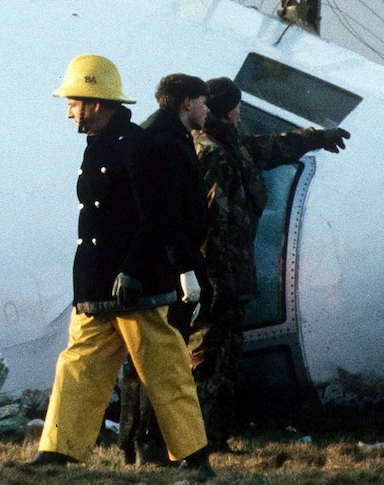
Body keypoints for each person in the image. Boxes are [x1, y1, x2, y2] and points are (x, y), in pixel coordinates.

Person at [25, 55, 214, 481]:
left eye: (72, 102)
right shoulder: (102, 145)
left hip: (135, 286)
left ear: (94, 103)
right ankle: (58, 451)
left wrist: (132, 271)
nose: (68, 110)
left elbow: (157, 216)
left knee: (164, 370)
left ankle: (195, 458)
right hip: (97, 286)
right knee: (77, 366)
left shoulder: (139, 145)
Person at [190, 77, 350, 452]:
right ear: (230, 110)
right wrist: (216, 277)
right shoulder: (211, 152)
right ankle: (195, 437)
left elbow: (270, 148)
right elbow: (214, 222)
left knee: (225, 356)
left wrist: (316, 137)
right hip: (217, 275)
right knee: (206, 355)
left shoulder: (230, 147)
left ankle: (213, 436)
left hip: (230, 274)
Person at [118, 73, 210, 467]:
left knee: (152, 363)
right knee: (158, 363)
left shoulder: (167, 136)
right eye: (203, 102)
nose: (208, 110)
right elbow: (163, 213)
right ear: (186, 102)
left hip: (169, 262)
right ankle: (149, 447)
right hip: (166, 267)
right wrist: (185, 269)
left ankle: (147, 447)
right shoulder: (161, 140)